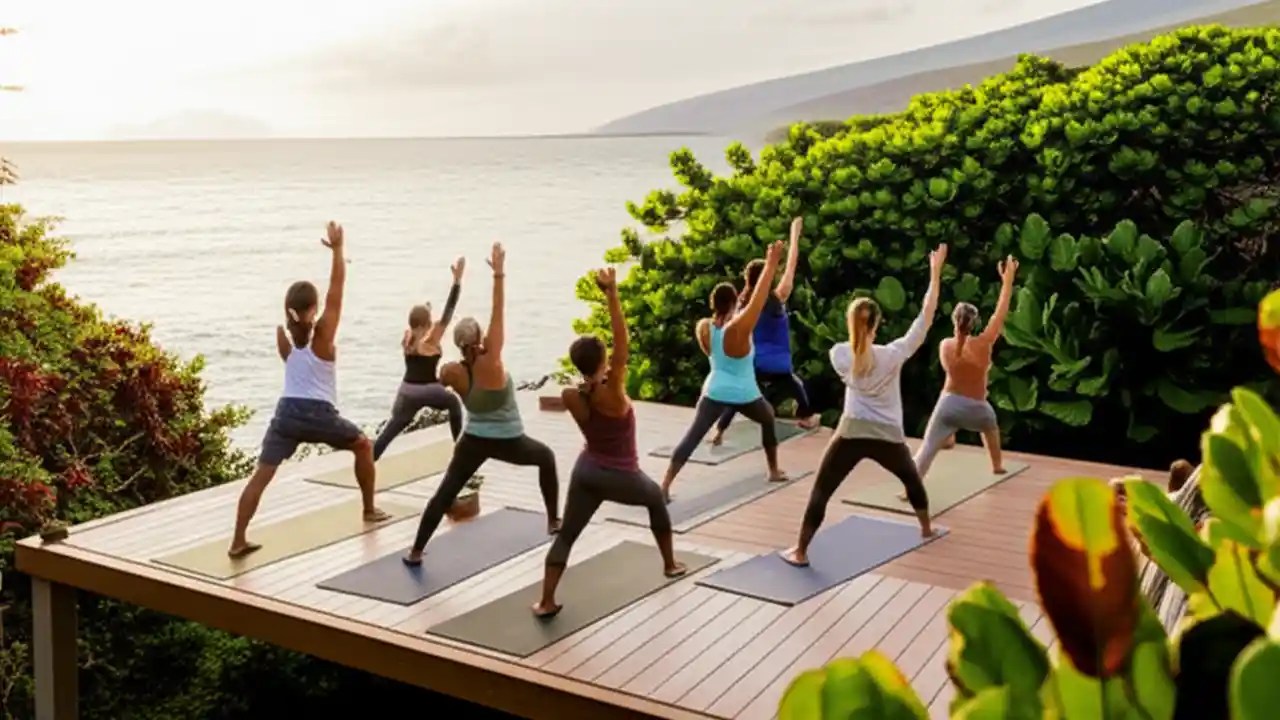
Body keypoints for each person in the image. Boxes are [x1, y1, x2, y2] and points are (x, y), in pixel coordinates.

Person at [228, 222, 391, 558]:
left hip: (285, 414)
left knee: (261, 475)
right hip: (318, 414)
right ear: (312, 309)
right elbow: (337, 289)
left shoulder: (285, 340)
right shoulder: (323, 337)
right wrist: (337, 251)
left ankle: (237, 541)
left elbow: (292, 354)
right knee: (363, 446)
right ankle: (369, 509)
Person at [531, 267, 687, 618]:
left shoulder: (575, 395)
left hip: (586, 472)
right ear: (602, 363)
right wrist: (612, 293)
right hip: (620, 475)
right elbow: (623, 342)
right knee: (656, 501)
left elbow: (580, 385)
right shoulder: (611, 392)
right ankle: (670, 564)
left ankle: (545, 602)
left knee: (567, 535)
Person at [781, 244, 948, 566]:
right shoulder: (893, 355)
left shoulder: (839, 354)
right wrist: (935, 272)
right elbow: (925, 318)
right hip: (888, 434)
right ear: (878, 324)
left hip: (851, 430)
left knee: (821, 491)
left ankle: (800, 551)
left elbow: (857, 358)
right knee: (912, 479)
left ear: (850, 323)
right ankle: (927, 528)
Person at [403, 242, 560, 565]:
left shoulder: (452, 371)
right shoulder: (494, 362)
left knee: (445, 492)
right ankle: (553, 520)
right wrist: (499, 274)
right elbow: (498, 312)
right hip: (510, 441)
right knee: (546, 457)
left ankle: (416, 551)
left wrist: (426, 343)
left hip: (473, 441)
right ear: (480, 339)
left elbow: (426, 375)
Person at [659, 240, 789, 502]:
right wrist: (772, 265)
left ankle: (664, 486)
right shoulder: (738, 330)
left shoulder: (706, 327)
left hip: (714, 389)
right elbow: (759, 298)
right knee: (767, 419)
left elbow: (742, 305)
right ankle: (773, 470)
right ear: (733, 304)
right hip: (744, 393)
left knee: (693, 437)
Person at [709, 217, 820, 447]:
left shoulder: (742, 303)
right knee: (795, 385)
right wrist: (794, 235)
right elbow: (791, 265)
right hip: (778, 366)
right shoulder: (777, 299)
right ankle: (806, 417)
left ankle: (719, 430)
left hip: (753, 364)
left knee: (737, 396)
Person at [910, 255, 1019, 484]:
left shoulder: (945, 346)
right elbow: (1000, 313)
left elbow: (951, 367)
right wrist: (1007, 281)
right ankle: (997, 466)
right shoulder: (983, 343)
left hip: (948, 404)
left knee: (927, 449)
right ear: (974, 323)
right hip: (978, 407)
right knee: (991, 429)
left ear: (954, 322)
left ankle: (911, 484)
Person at [371, 257, 466, 459]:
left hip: (407, 391)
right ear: (425, 324)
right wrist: (457, 282)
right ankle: (460, 452)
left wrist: (427, 310)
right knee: (453, 403)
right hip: (428, 389)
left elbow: (430, 321)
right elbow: (448, 313)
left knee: (393, 427)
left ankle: (370, 458)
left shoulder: (410, 338)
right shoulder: (426, 340)